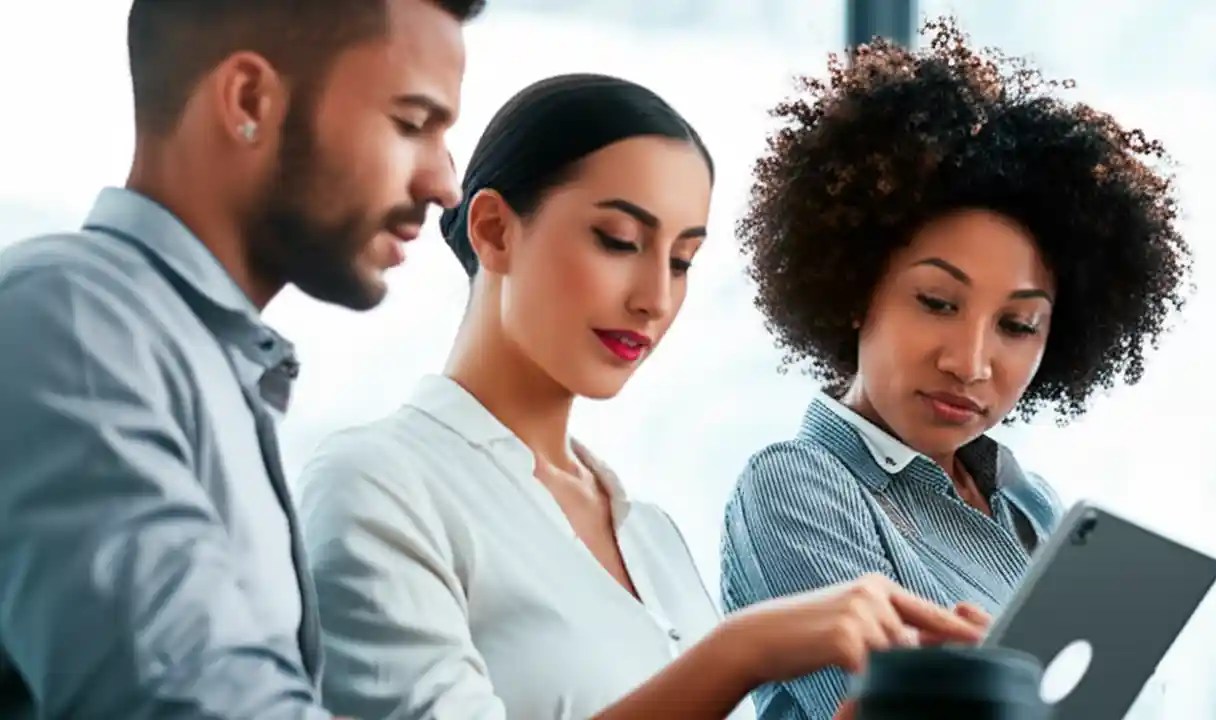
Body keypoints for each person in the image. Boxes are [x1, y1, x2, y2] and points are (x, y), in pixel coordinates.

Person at [297, 72, 989, 720]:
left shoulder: (651, 537)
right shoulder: (375, 484)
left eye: (682, 261)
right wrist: (741, 653)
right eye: (619, 240)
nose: (655, 299)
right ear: (494, 230)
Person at [0, 1, 483, 717]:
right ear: (249, 100)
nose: (445, 185)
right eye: (412, 124)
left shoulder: (194, 360)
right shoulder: (69, 321)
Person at [719, 18, 1193, 720]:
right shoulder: (796, 485)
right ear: (856, 289)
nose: (970, 363)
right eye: (937, 302)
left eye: (1017, 325)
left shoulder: (1031, 507)